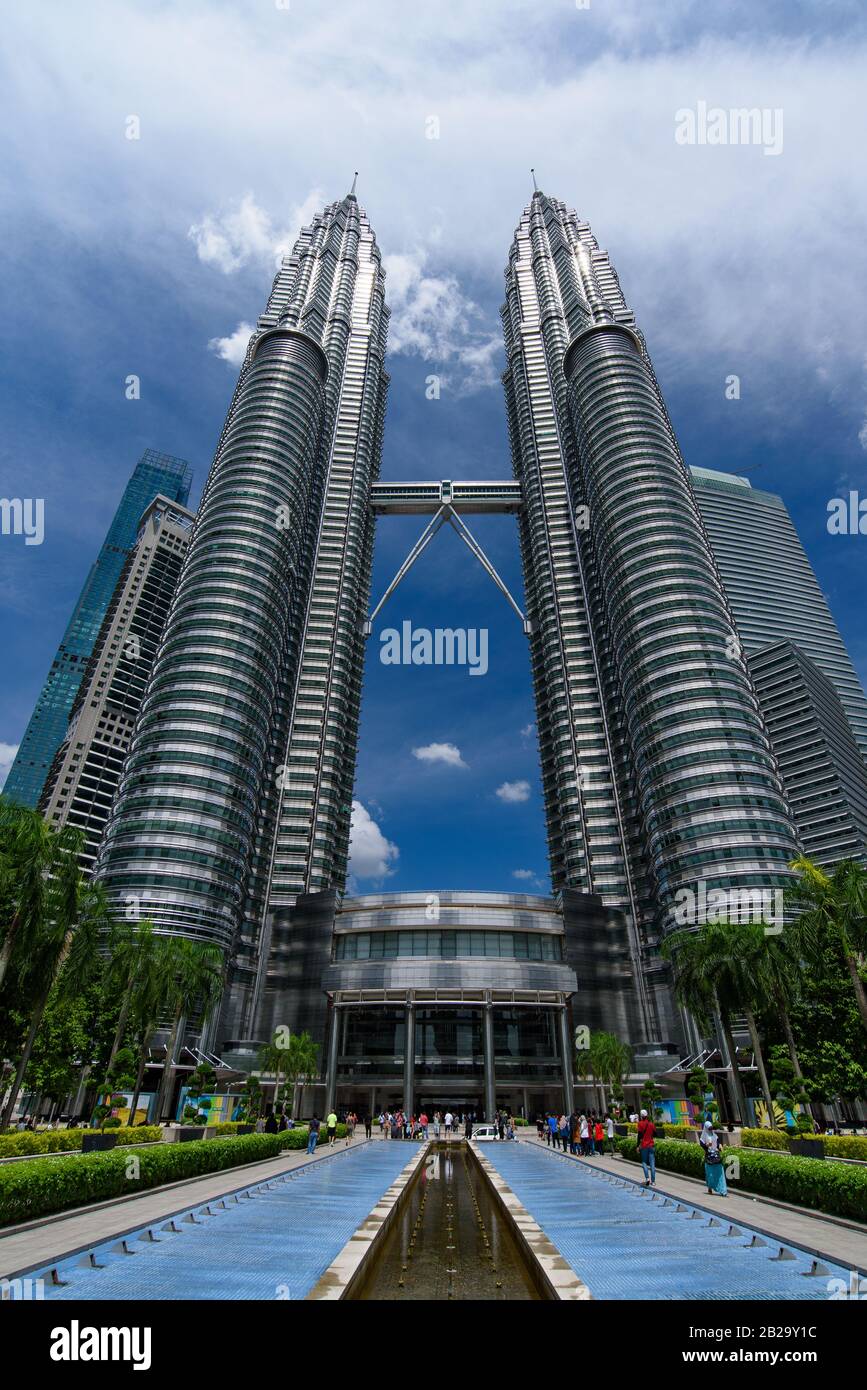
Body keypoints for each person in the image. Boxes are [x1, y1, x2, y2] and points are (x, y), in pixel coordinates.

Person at [699, 1120, 727, 1196]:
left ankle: (722, 1190)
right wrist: (707, 1145)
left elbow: (718, 1143)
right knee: (710, 1174)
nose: (711, 1130)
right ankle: (710, 1188)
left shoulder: (714, 1135)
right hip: (709, 1157)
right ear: (705, 1128)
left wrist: (720, 1146)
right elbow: (702, 1145)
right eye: (709, 1128)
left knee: (720, 1172)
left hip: (717, 1156)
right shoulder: (703, 1138)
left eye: (711, 1128)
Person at [636, 1108, 656, 1186]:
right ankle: (653, 1181)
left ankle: (647, 1178)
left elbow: (639, 1136)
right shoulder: (651, 1124)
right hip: (651, 1145)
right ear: (647, 1115)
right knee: (652, 1163)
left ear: (641, 1116)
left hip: (644, 1145)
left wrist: (637, 1146)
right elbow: (655, 1134)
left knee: (644, 1162)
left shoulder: (640, 1124)